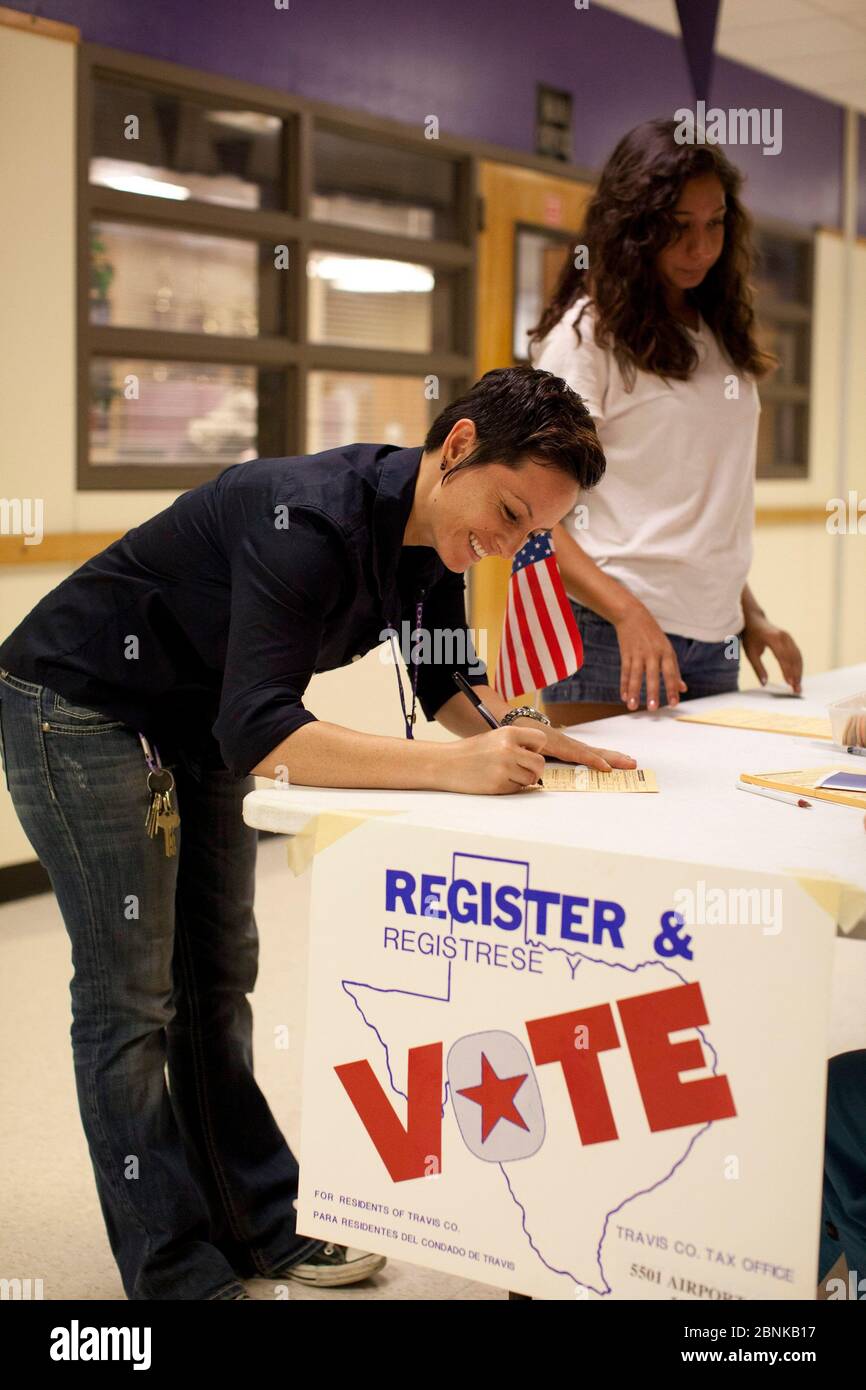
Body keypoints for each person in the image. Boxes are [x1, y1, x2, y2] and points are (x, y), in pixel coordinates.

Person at [0, 366, 635, 1300]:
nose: (505, 547)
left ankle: (260, 1230)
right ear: (456, 447)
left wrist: (515, 735)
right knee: (131, 1003)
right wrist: (457, 767)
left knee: (217, 983)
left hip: (197, 720)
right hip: (82, 707)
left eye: (529, 535)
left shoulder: (437, 540)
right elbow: (264, 732)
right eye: (507, 514)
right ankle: (173, 1271)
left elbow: (443, 680)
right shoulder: (307, 518)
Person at [528, 118, 803, 726]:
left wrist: (748, 612)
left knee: (703, 821)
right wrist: (627, 613)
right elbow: (532, 518)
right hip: (609, 635)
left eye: (714, 224)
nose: (701, 248)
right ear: (635, 228)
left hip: (715, 634)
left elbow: (698, 505)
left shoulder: (717, 335)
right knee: (607, 821)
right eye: (677, 229)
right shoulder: (587, 336)